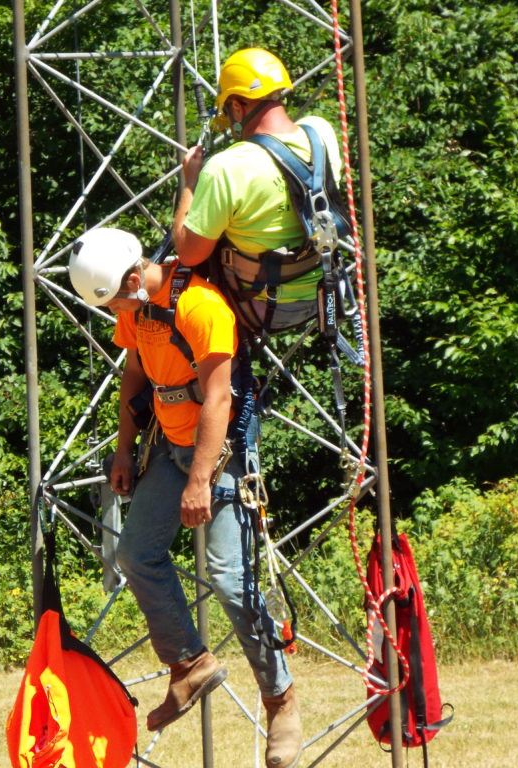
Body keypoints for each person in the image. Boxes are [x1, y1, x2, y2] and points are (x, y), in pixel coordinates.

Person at [68, 226, 302, 768]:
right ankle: (189, 664)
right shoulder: (135, 306)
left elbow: (219, 398)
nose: (115, 311)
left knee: (229, 577)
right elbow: (134, 375)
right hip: (167, 444)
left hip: (220, 451)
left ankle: (281, 699)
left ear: (133, 277)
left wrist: (201, 481)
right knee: (135, 555)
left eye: (115, 300)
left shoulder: (202, 307)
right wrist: (123, 450)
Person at [172, 47, 342, 273]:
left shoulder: (226, 168)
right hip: (325, 284)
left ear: (236, 107)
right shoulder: (321, 134)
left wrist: (191, 183)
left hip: (257, 294)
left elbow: (189, 254)